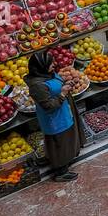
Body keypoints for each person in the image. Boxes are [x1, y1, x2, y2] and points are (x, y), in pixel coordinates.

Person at [24, 51, 81, 182]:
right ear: (41, 66)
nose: (54, 64)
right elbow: (48, 107)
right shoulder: (37, 86)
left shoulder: (46, 74)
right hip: (54, 119)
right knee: (59, 143)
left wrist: (66, 86)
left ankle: (65, 161)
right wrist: (62, 94)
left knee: (65, 139)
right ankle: (61, 172)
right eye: (51, 63)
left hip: (63, 113)